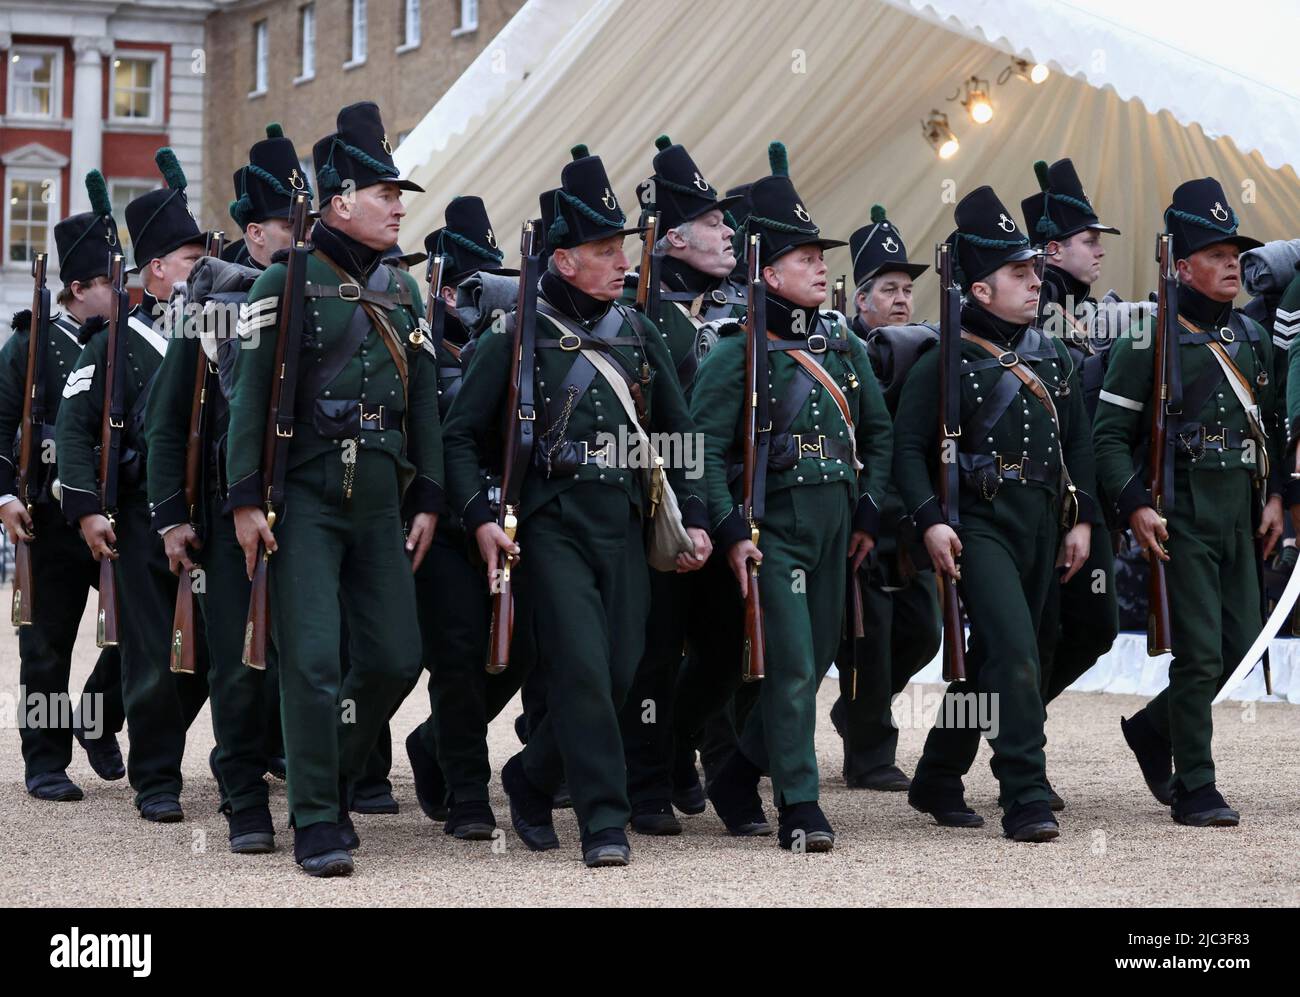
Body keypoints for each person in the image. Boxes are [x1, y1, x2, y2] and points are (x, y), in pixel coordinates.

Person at [443, 144, 712, 867]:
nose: (621, 260)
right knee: (585, 671)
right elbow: (460, 435)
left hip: (623, 523)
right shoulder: (516, 335)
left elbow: (682, 434)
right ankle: (604, 820)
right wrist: (479, 516)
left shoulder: (638, 332)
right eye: (603, 249)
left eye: (621, 246)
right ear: (562, 260)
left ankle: (531, 778)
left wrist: (696, 516)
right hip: (550, 525)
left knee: (622, 671)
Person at [226, 101, 443, 876]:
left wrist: (430, 496)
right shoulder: (281, 284)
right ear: (340, 198)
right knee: (313, 660)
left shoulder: (402, 292)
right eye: (386, 193)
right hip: (305, 498)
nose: (397, 207)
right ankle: (317, 816)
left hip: (384, 497)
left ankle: (327, 767)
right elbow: (248, 399)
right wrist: (246, 498)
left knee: (394, 657)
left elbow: (424, 401)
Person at [691, 142, 892, 851]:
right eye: (807, 257)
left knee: (823, 660)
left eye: (821, 255)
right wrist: (731, 527)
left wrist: (870, 509)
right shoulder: (733, 351)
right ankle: (801, 807)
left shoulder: (842, 346)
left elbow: (881, 434)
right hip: (773, 528)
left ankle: (741, 766)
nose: (821, 265)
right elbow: (706, 451)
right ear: (769, 272)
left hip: (840, 525)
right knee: (795, 665)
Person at [893, 185, 1101, 842]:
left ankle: (937, 772)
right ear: (980, 290)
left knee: (1006, 656)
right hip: (976, 522)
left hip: (1042, 517)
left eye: (1035, 268)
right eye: (1019, 272)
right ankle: (1025, 791)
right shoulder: (944, 357)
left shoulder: (1053, 354)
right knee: (1012, 651)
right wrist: (929, 517)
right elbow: (903, 448)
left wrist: (1082, 519)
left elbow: (1082, 443)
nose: (1035, 279)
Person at [1096, 177, 1282, 827]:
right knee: (1200, 652)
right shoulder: (1147, 339)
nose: (1232, 262)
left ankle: (1152, 729)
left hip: (1242, 515)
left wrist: (1279, 497)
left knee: (1239, 648)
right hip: (1180, 518)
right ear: (1181, 265)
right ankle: (1196, 784)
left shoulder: (1251, 340)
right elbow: (1109, 438)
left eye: (1235, 251)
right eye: (1215, 253)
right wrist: (1134, 505)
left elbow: (1276, 431)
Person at [55, 154, 212, 823]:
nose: (201, 269)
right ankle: (156, 778)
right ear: (155, 272)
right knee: (152, 652)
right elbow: (72, 427)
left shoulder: (212, 332)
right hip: (141, 517)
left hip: (204, 513)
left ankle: (129, 731)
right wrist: (87, 509)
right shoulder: (112, 345)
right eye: (188, 259)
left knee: (204, 654)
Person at [0, 190, 127, 801]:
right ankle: (45, 763)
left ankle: (97, 720)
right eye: (109, 282)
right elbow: (0, 428)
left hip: (119, 514)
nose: (119, 292)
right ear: (78, 287)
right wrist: (4, 497)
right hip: (48, 520)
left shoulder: (129, 341)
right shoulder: (29, 345)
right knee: (46, 646)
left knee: (140, 632)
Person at [1019, 157, 1121, 808]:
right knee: (1047, 629)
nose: (1101, 251)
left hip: (1079, 495)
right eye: (1090, 240)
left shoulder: (1073, 313)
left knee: (1092, 625)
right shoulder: (1038, 311)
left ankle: (1008, 721)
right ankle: (1020, 748)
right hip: (1041, 495)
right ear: (1053, 249)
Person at [831, 203, 940, 792]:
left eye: (906, 290)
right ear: (860, 301)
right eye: (888, 289)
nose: (901, 299)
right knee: (866, 637)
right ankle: (870, 752)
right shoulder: (841, 352)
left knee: (924, 631)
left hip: (909, 518)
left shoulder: (924, 350)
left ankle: (857, 711)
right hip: (859, 514)